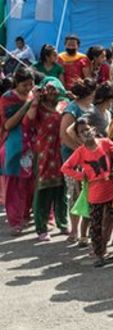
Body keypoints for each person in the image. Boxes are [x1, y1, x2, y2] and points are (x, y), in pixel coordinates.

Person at [60, 118, 113, 266]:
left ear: (93, 129)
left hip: (111, 190)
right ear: (78, 137)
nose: (85, 133)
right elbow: (65, 168)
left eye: (87, 129)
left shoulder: (105, 143)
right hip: (94, 194)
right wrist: (81, 176)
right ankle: (99, 254)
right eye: (81, 132)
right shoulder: (80, 152)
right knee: (96, 226)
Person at [26, 77, 69, 241]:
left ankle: (62, 222)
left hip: (61, 150)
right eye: (48, 88)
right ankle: (41, 227)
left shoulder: (64, 103)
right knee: (43, 189)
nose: (51, 92)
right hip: (44, 152)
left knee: (62, 188)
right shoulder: (38, 105)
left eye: (54, 88)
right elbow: (29, 119)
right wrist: (35, 99)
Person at [59, 78, 97, 245]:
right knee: (74, 193)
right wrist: (80, 152)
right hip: (73, 158)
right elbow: (64, 136)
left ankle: (85, 231)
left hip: (90, 157)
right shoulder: (72, 110)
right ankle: (74, 230)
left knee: (89, 193)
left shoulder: (91, 108)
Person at [1, 68, 36, 235]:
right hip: (14, 144)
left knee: (29, 182)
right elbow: (8, 124)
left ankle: (25, 214)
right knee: (14, 183)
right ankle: (14, 219)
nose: (28, 88)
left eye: (31, 84)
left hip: (32, 143)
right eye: (24, 85)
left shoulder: (32, 94)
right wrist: (27, 105)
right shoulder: (8, 98)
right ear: (16, 83)